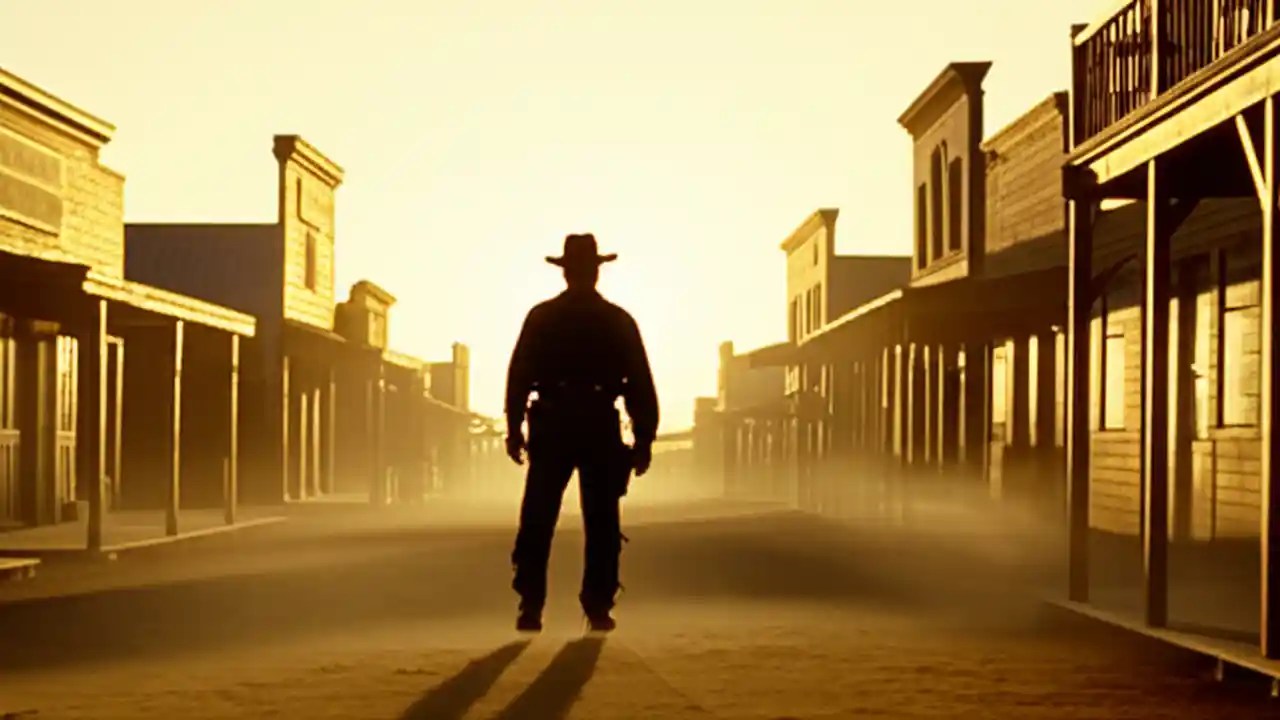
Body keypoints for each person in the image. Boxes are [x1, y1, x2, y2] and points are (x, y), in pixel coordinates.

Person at [504, 233, 659, 633]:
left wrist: (514, 428)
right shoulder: (617, 320)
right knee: (599, 519)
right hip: (594, 423)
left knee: (542, 517)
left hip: (555, 424)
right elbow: (640, 383)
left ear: (568, 271)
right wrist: (643, 439)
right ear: (594, 271)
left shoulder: (542, 317)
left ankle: (533, 604)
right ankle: (595, 605)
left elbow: (518, 375)